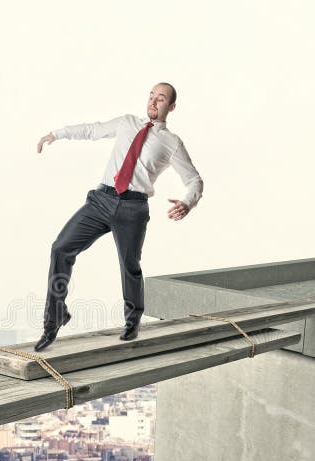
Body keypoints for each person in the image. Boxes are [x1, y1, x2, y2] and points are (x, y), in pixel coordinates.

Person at [33, 82, 203, 352]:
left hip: (133, 208)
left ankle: (132, 320)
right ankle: (53, 319)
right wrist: (56, 134)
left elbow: (194, 179)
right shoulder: (126, 123)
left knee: (129, 265)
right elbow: (92, 130)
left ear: (171, 107)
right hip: (101, 199)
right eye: (151, 96)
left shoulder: (171, 142)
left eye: (160, 99)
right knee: (61, 248)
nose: (153, 102)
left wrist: (188, 202)